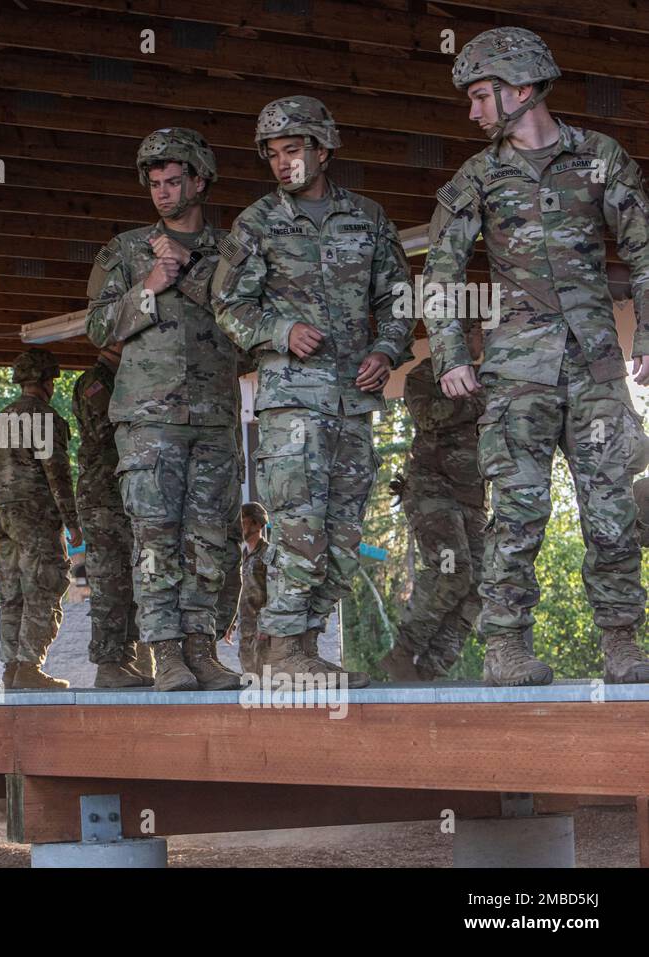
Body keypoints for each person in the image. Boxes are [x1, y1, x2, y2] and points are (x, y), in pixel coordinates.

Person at [423, 27, 649, 685]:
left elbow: (643, 248)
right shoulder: (477, 176)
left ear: (522, 89)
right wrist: (449, 353)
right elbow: (440, 270)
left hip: (597, 365)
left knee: (612, 509)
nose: (473, 111)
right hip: (518, 373)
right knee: (518, 513)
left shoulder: (599, 157)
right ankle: (506, 646)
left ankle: (622, 642)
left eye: (481, 96)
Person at [213, 96, 414, 688]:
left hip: (353, 399)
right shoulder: (256, 224)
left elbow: (398, 299)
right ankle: (281, 648)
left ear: (323, 150)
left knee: (345, 534)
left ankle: (305, 646)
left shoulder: (368, 219)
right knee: (300, 526)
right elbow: (227, 304)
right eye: (273, 153)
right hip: (292, 402)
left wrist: (387, 350)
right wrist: (279, 331)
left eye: (293, 150)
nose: (283, 162)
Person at [86, 127, 243, 692]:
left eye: (174, 181)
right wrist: (149, 287)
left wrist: (192, 270)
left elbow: (249, 322)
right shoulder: (126, 251)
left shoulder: (233, 251)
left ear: (200, 181)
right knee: (155, 538)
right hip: (149, 421)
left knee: (210, 538)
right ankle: (165, 655)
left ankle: (202, 649)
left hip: (215, 418)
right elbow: (97, 327)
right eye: (154, 183)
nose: (163, 192)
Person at [381, 324, 487, 681]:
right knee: (452, 571)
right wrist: (477, 401)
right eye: (479, 332)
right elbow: (428, 416)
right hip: (433, 490)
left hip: (473, 498)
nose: (484, 340)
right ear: (463, 334)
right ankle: (403, 652)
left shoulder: (488, 377)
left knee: (478, 584)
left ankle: (432, 668)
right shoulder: (426, 374)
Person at [0, 349, 81, 690]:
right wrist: (72, 521)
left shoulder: (0, 419)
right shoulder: (45, 418)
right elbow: (57, 474)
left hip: (1, 514)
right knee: (43, 586)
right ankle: (29, 666)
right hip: (35, 515)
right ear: (47, 381)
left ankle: (12, 667)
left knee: (11, 592)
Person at [72, 343, 150, 687]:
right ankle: (107, 662)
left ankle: (122, 659)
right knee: (108, 579)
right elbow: (109, 427)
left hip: (120, 492)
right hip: (103, 493)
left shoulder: (119, 377)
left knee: (128, 579)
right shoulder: (95, 380)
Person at [223, 502, 270, 675]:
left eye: (243, 521)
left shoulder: (268, 554)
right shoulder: (242, 555)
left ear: (257, 524)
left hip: (262, 632)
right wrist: (231, 622)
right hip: (246, 631)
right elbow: (242, 591)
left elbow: (275, 594)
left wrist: (267, 627)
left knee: (265, 681)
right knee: (250, 679)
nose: (239, 527)